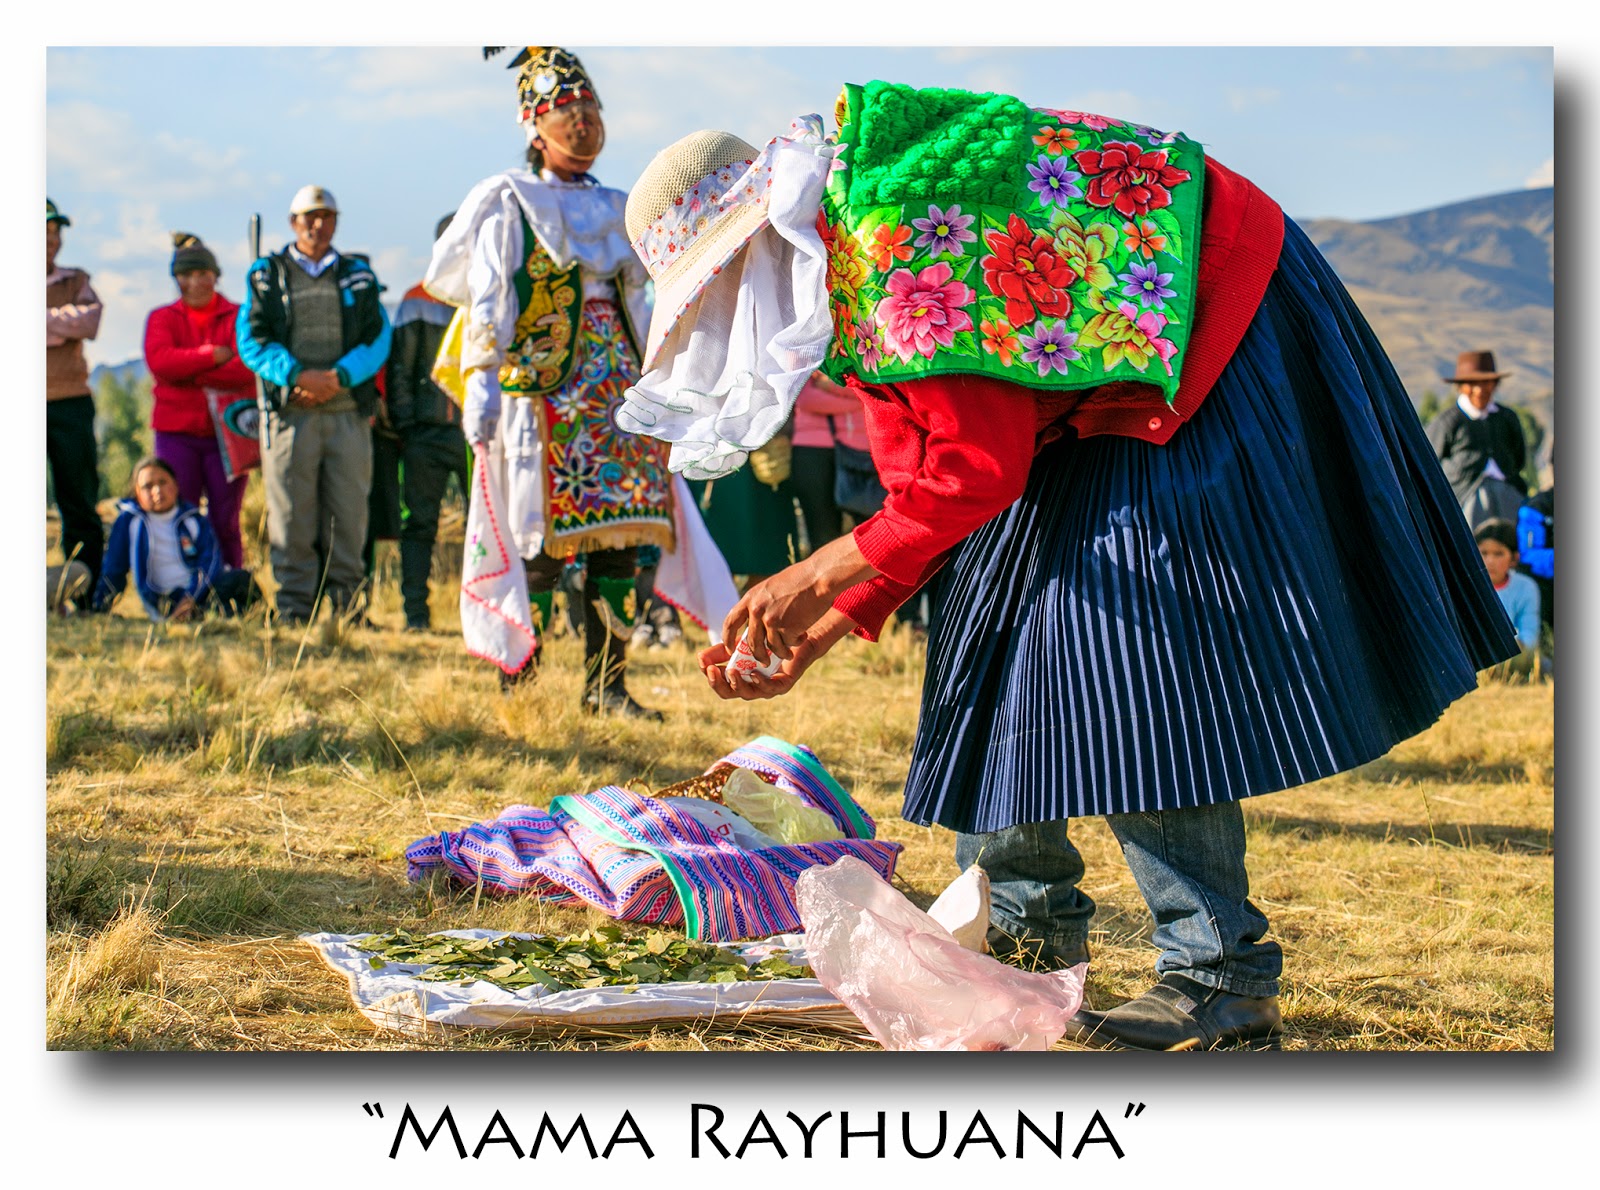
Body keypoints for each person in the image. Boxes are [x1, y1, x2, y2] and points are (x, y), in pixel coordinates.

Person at [617, 83, 1518, 1050]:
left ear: (758, 241)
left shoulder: (891, 242)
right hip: (1087, 391)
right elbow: (927, 490)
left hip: (1211, 319)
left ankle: (1221, 973)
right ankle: (1028, 936)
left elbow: (978, 470)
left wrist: (809, 577)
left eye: (717, 289)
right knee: (991, 620)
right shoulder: (844, 278)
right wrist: (829, 623)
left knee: (1118, 647)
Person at [424, 47, 675, 718]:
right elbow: (488, 299)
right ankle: (521, 682)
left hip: (618, 389)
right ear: (536, 125)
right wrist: (480, 378)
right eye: (571, 110)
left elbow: (646, 303)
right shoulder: (510, 200)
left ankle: (608, 686)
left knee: (621, 534)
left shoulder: (623, 206)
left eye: (592, 110)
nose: (586, 123)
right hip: (541, 393)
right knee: (536, 539)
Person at [236, 184, 392, 627]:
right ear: (293, 222)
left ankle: (349, 608)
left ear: (336, 222)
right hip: (290, 415)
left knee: (349, 514)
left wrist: (339, 376)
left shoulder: (357, 274)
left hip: (346, 412)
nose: (318, 226)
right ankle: (294, 609)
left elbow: (379, 336)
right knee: (292, 515)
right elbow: (251, 338)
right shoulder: (267, 274)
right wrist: (294, 374)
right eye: (310, 217)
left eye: (327, 217)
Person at [143, 232, 257, 570]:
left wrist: (190, 372)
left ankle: (232, 587)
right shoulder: (162, 319)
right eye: (187, 275)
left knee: (226, 519)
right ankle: (184, 587)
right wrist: (211, 356)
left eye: (202, 274)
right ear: (177, 279)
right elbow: (161, 363)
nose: (196, 282)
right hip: (176, 434)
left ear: (215, 274)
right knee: (180, 514)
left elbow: (247, 367)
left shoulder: (239, 316)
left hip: (229, 434)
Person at [385, 215, 470, 632]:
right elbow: (399, 367)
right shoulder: (415, 298)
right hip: (426, 431)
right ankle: (415, 614)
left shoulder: (493, 295)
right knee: (419, 523)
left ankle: (482, 616)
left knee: (486, 528)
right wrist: (408, 426)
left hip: (478, 436)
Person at [91, 456, 257, 622]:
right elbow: (113, 568)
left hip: (200, 593)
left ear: (176, 485)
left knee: (241, 579)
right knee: (220, 610)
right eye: (148, 486)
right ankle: (208, 616)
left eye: (163, 482)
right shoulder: (129, 522)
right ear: (137, 493)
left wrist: (190, 598)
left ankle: (252, 616)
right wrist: (100, 607)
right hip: (164, 599)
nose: (157, 490)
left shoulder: (193, 518)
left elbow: (211, 561)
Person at [46, 198, 106, 594]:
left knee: (79, 498)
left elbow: (89, 320)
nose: (51, 239)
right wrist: (58, 323)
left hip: (70, 403)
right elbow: (71, 322)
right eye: (43, 230)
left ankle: (86, 592)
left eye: (56, 231)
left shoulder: (76, 279)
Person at [1426, 349, 1529, 522]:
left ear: (1495, 384)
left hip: (1508, 494)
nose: (1479, 390)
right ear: (1460, 387)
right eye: (1472, 383)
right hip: (1463, 496)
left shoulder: (1506, 418)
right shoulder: (1448, 421)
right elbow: (1430, 462)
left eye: (1486, 382)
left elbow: (1519, 458)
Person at [1475, 519, 1542, 681]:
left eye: (1498, 554)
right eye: (1483, 553)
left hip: (1511, 657)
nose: (1490, 561)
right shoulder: (1461, 585)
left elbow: (1529, 636)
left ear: (1514, 558)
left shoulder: (1526, 587)